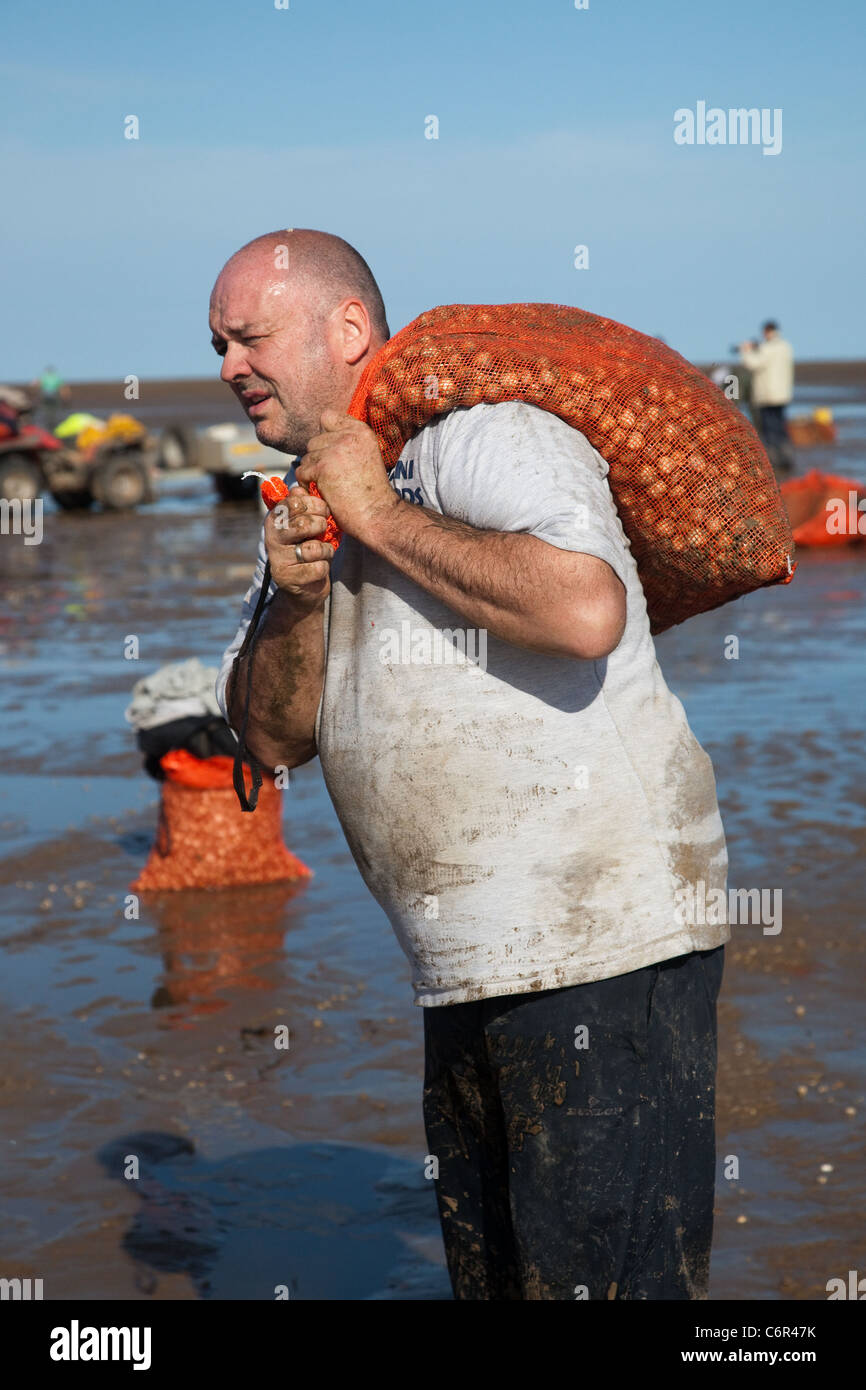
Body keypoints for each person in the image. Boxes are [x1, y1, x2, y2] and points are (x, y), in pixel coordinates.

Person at [214, 229, 729, 1301]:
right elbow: (267, 740)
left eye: (249, 337)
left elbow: (584, 611)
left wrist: (379, 515)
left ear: (346, 328)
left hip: (601, 946)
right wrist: (301, 594)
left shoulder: (487, 433)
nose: (228, 369)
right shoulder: (309, 506)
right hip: (461, 969)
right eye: (218, 345)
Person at [738, 322, 795, 474]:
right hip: (782, 395)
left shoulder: (768, 348)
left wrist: (746, 350)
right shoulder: (785, 346)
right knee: (781, 427)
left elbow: (753, 364)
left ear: (768, 331)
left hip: (768, 396)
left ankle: (774, 460)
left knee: (769, 429)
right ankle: (787, 458)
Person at [31, 365, 70, 431]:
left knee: (46, 409)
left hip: (45, 396)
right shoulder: (56, 377)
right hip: (54, 396)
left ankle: (48, 421)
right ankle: (53, 421)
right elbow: (63, 388)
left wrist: (35, 393)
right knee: (54, 409)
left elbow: (35, 384)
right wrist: (66, 397)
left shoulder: (43, 377)